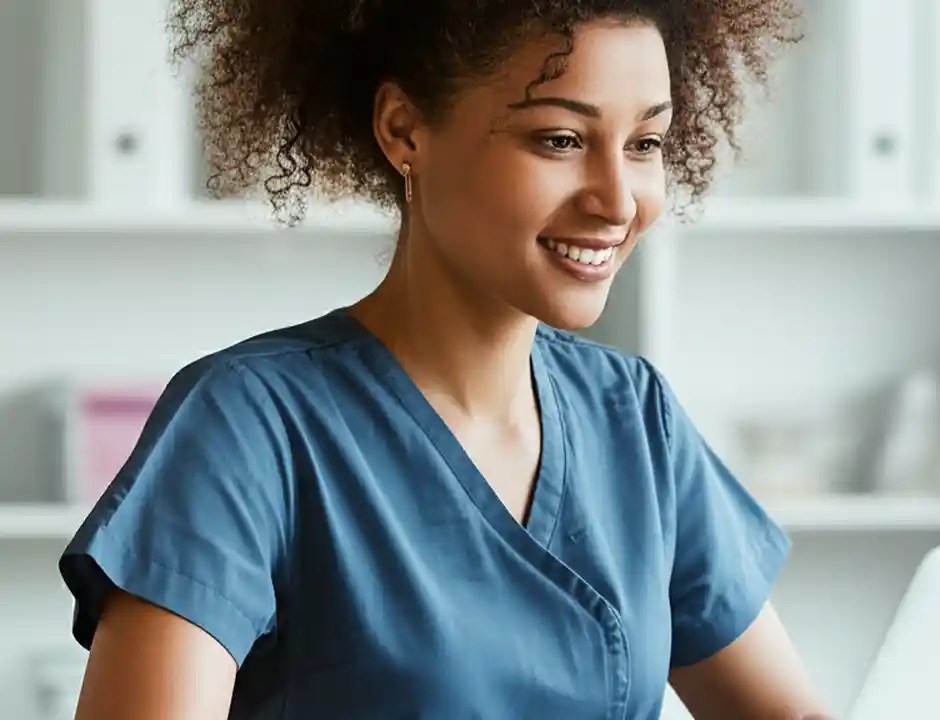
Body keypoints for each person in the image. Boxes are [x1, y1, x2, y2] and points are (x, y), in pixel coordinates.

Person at [58, 1, 830, 717]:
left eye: (645, 145)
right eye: (560, 140)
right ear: (404, 130)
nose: (618, 200)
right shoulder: (250, 424)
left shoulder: (633, 416)